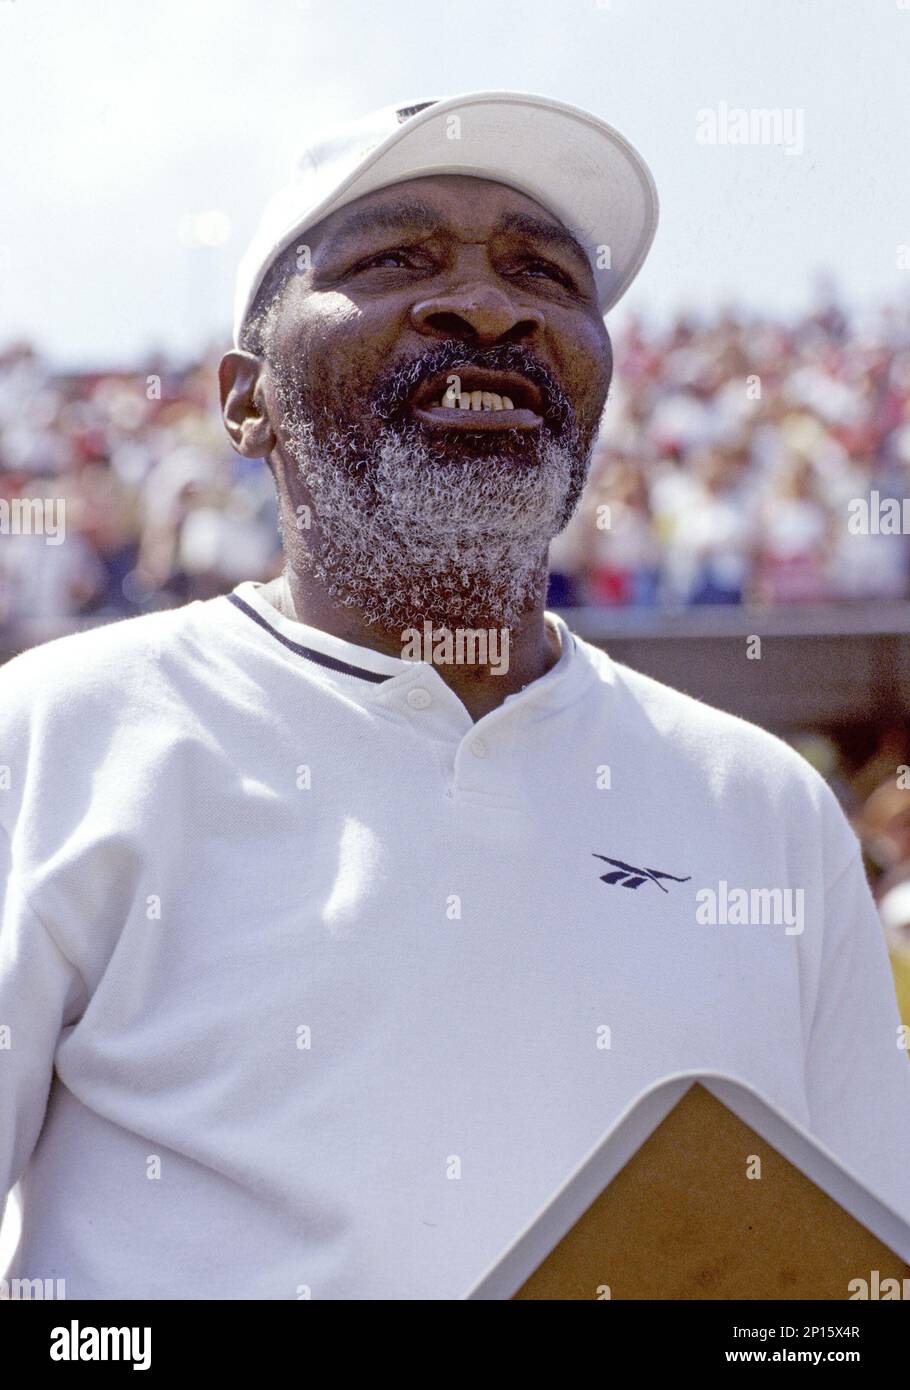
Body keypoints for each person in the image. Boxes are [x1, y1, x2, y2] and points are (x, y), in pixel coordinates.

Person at [1, 92, 908, 1302]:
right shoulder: (62, 733)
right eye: (395, 259)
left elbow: (856, 1291)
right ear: (245, 397)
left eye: (542, 271)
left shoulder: (765, 807)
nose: (488, 304)